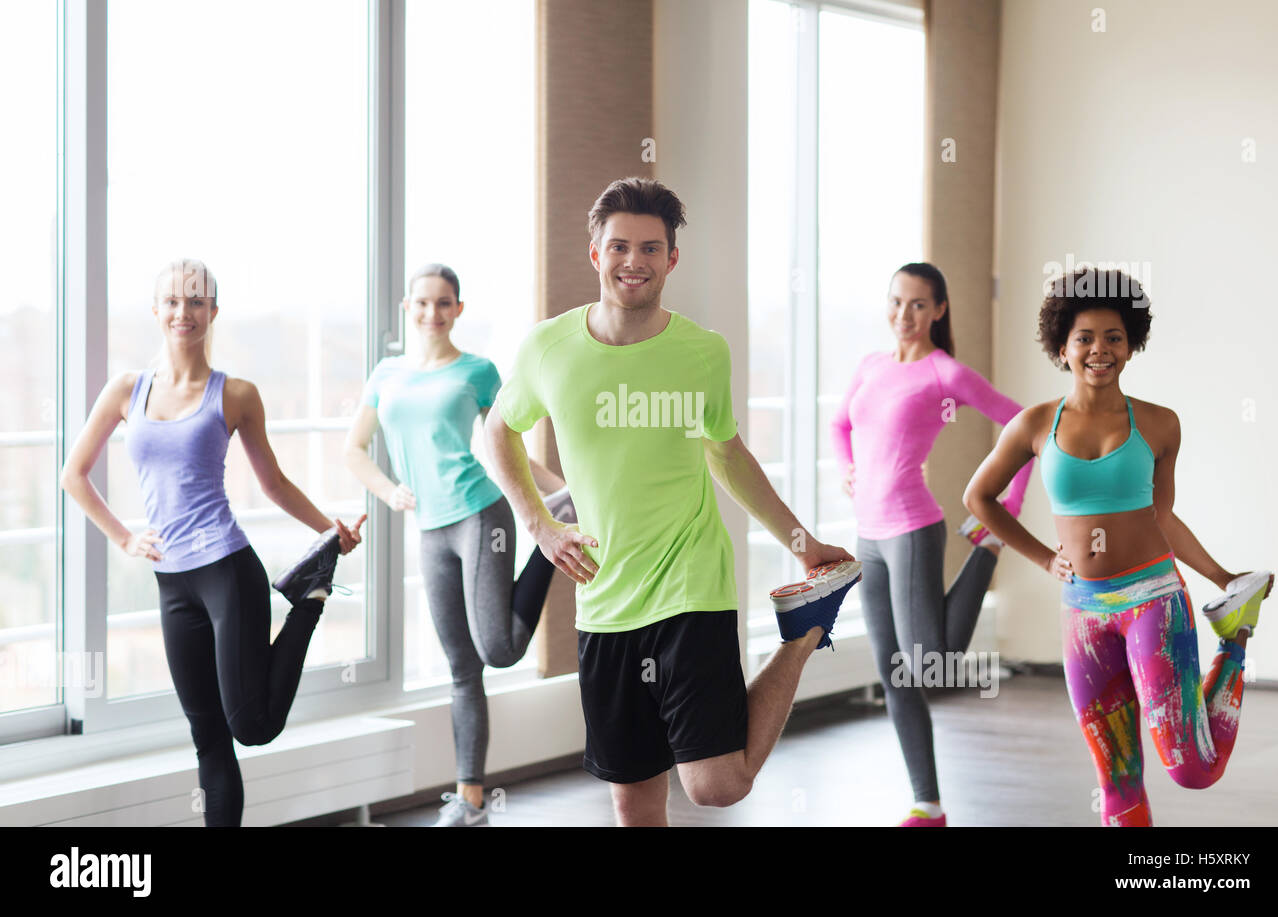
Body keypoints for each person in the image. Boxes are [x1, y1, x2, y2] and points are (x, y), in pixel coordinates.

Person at [483, 177, 858, 827]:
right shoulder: (549, 348)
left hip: (692, 588)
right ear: (595, 252)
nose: (635, 261)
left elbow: (727, 453)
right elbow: (494, 432)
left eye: (652, 248)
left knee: (716, 785)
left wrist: (803, 545)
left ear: (672, 258)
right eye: (621, 245)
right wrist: (539, 526)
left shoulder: (701, 352)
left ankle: (803, 634)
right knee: (633, 799)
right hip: (604, 599)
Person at [963, 266, 1273, 826]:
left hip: (1152, 597)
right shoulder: (1034, 424)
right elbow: (978, 497)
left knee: (1192, 769)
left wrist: (1224, 580)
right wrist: (1042, 557)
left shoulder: (1159, 425)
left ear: (1131, 347)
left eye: (1114, 338)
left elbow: (1161, 517)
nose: (1099, 350)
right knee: (1117, 782)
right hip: (1083, 612)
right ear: (1062, 347)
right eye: (1085, 338)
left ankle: (1236, 641)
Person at [60, 259, 365, 827]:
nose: (184, 311)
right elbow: (73, 474)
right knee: (208, 740)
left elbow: (272, 483)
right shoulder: (126, 390)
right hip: (171, 583)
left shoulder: (237, 395)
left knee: (252, 727)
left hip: (227, 570)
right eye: (173, 301)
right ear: (156, 311)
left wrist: (329, 530)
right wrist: (124, 539)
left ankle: (311, 598)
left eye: (196, 301)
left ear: (213, 313)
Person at [344, 263, 574, 827]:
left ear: (458, 309)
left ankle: (559, 524)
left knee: (499, 649)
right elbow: (354, 448)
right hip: (430, 529)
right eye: (422, 303)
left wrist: (560, 492)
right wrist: (389, 489)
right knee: (461, 669)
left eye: (444, 303)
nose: (432, 313)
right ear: (406, 308)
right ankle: (470, 802)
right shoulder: (387, 374)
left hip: (480, 514)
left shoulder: (477, 371)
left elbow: (506, 444)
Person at [829, 262, 1035, 827]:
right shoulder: (872, 366)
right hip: (867, 536)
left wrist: (1007, 508)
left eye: (918, 305)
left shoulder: (945, 374)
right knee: (894, 674)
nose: (904, 315)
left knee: (930, 664)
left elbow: (1021, 424)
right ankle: (928, 804)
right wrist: (848, 468)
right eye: (896, 302)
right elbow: (840, 424)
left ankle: (990, 548)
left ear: (939, 310)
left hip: (913, 528)